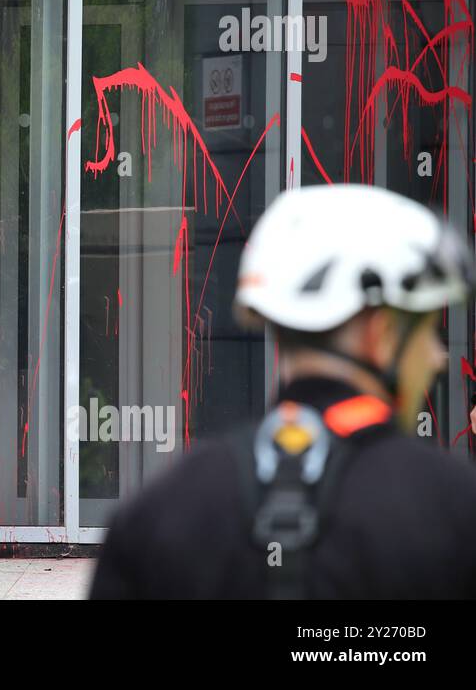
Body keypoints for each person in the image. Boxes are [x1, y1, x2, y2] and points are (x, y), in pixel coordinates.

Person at [89, 184, 476, 599]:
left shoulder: (156, 516)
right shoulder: (454, 511)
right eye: (426, 332)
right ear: (379, 336)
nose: (437, 357)